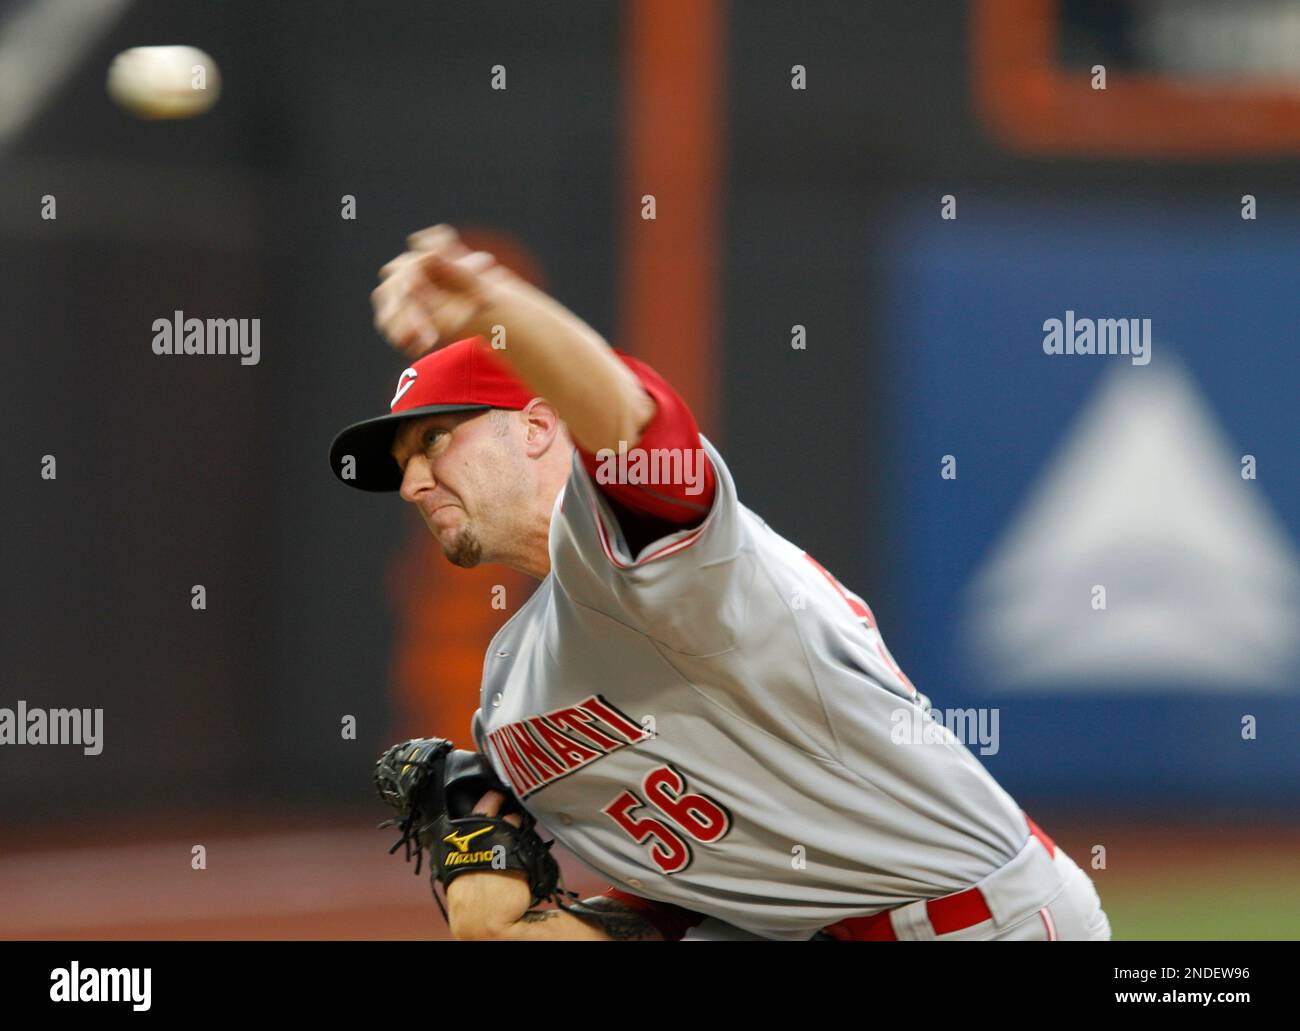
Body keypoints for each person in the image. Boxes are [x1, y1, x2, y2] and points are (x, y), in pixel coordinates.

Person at [330, 224, 1112, 941]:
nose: (414, 481)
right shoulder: (507, 695)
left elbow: (632, 423)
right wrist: (481, 888)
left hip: (982, 924)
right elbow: (645, 907)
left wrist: (501, 306)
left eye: (436, 439)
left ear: (537, 427)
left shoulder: (661, 555)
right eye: (403, 465)